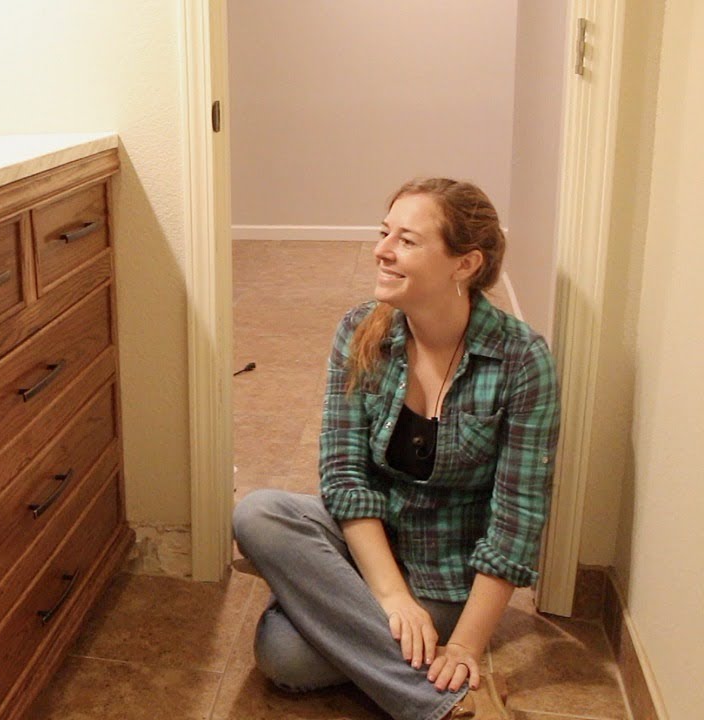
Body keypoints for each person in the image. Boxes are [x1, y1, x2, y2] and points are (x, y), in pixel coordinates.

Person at [232, 178, 561, 720]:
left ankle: (315, 597)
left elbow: (516, 522)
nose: (381, 250)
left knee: (286, 656)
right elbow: (341, 475)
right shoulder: (360, 329)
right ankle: (427, 693)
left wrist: (464, 647)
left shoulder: (522, 362)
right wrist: (389, 597)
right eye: (384, 233)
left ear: (465, 264)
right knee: (259, 512)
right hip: (368, 543)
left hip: (445, 570)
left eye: (406, 240)